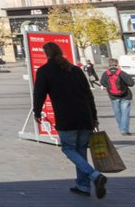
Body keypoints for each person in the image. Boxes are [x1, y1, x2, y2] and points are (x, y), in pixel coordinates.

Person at [32, 41, 108, 199]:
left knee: (68, 149)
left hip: (66, 117)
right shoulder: (75, 70)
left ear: (46, 54)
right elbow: (88, 95)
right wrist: (94, 116)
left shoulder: (45, 71)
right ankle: (83, 186)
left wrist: (37, 112)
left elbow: (39, 94)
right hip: (85, 116)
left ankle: (95, 176)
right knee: (80, 151)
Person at [98, 60, 135, 136]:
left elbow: (102, 83)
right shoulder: (121, 73)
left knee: (117, 113)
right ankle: (124, 130)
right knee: (125, 113)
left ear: (109, 64)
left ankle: (121, 128)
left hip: (113, 96)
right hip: (125, 95)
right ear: (117, 64)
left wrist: (109, 86)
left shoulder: (106, 73)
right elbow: (131, 83)